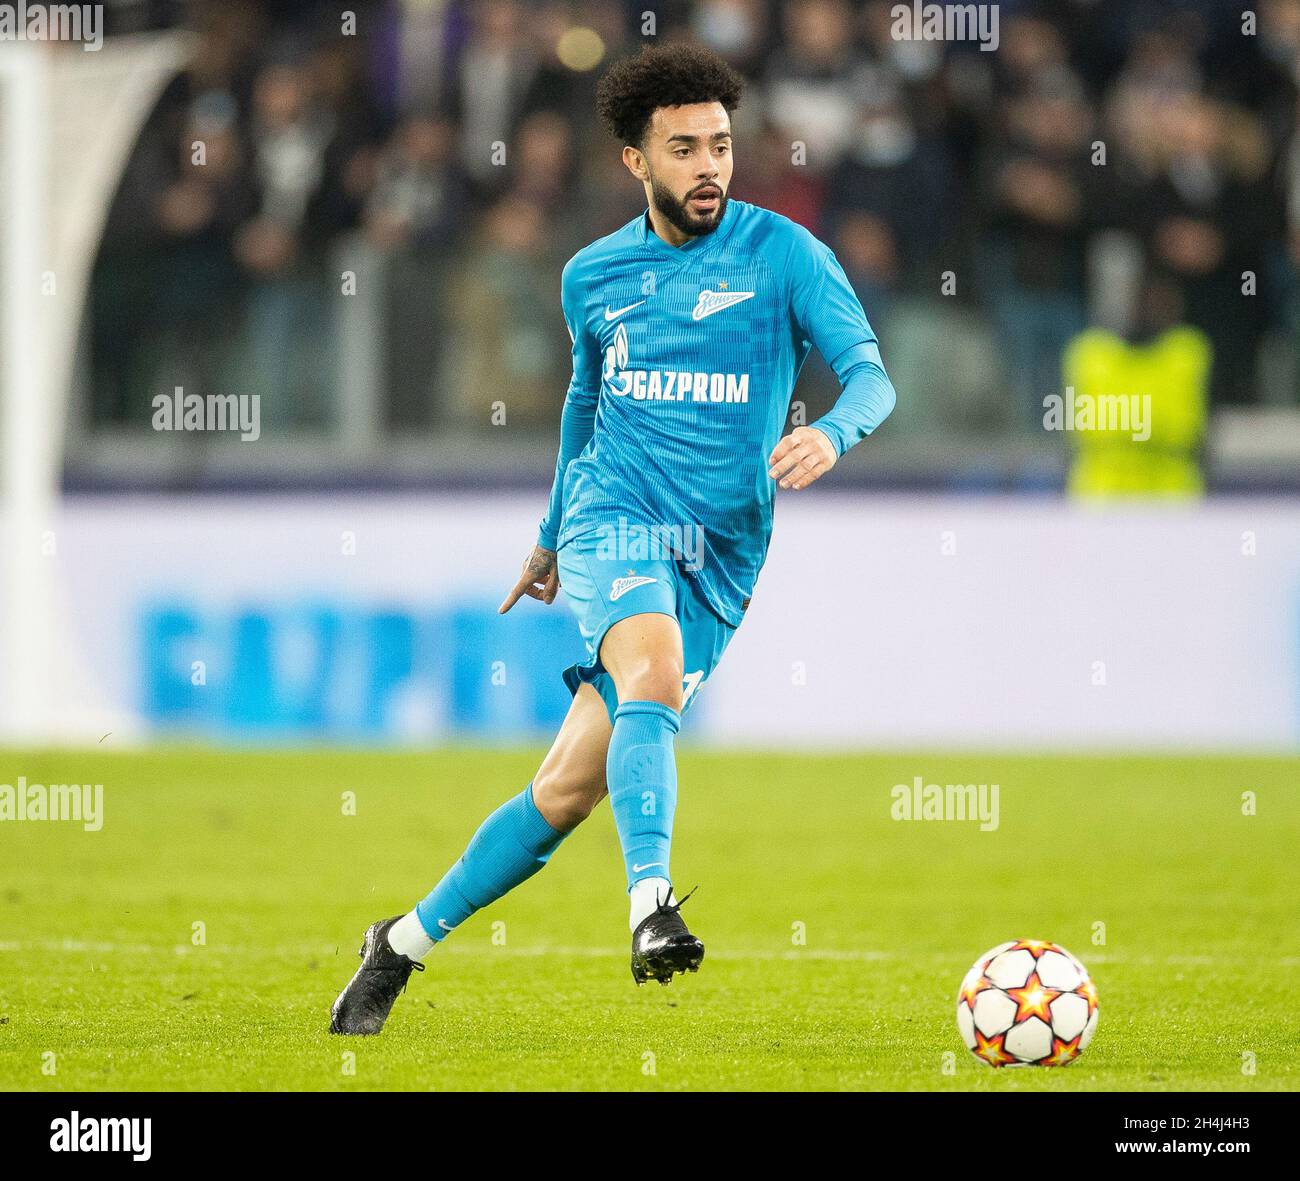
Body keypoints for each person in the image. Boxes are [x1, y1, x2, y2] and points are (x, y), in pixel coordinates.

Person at [330, 42, 896, 1036]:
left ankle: (402, 940)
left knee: (567, 787)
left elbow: (873, 376)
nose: (708, 165)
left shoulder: (786, 255)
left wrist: (830, 431)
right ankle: (650, 905)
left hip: (722, 550)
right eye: (683, 148)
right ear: (635, 161)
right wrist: (553, 534)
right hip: (617, 514)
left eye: (719, 144)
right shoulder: (593, 275)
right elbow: (582, 408)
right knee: (650, 673)